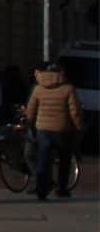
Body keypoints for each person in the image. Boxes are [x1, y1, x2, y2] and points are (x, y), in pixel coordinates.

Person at [22, 59, 85, 201]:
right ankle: (61, 188)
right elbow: (74, 112)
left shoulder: (38, 89)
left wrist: (29, 124)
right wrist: (79, 127)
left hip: (43, 129)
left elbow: (31, 111)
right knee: (64, 159)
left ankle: (41, 189)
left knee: (43, 159)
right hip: (63, 130)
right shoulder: (69, 89)